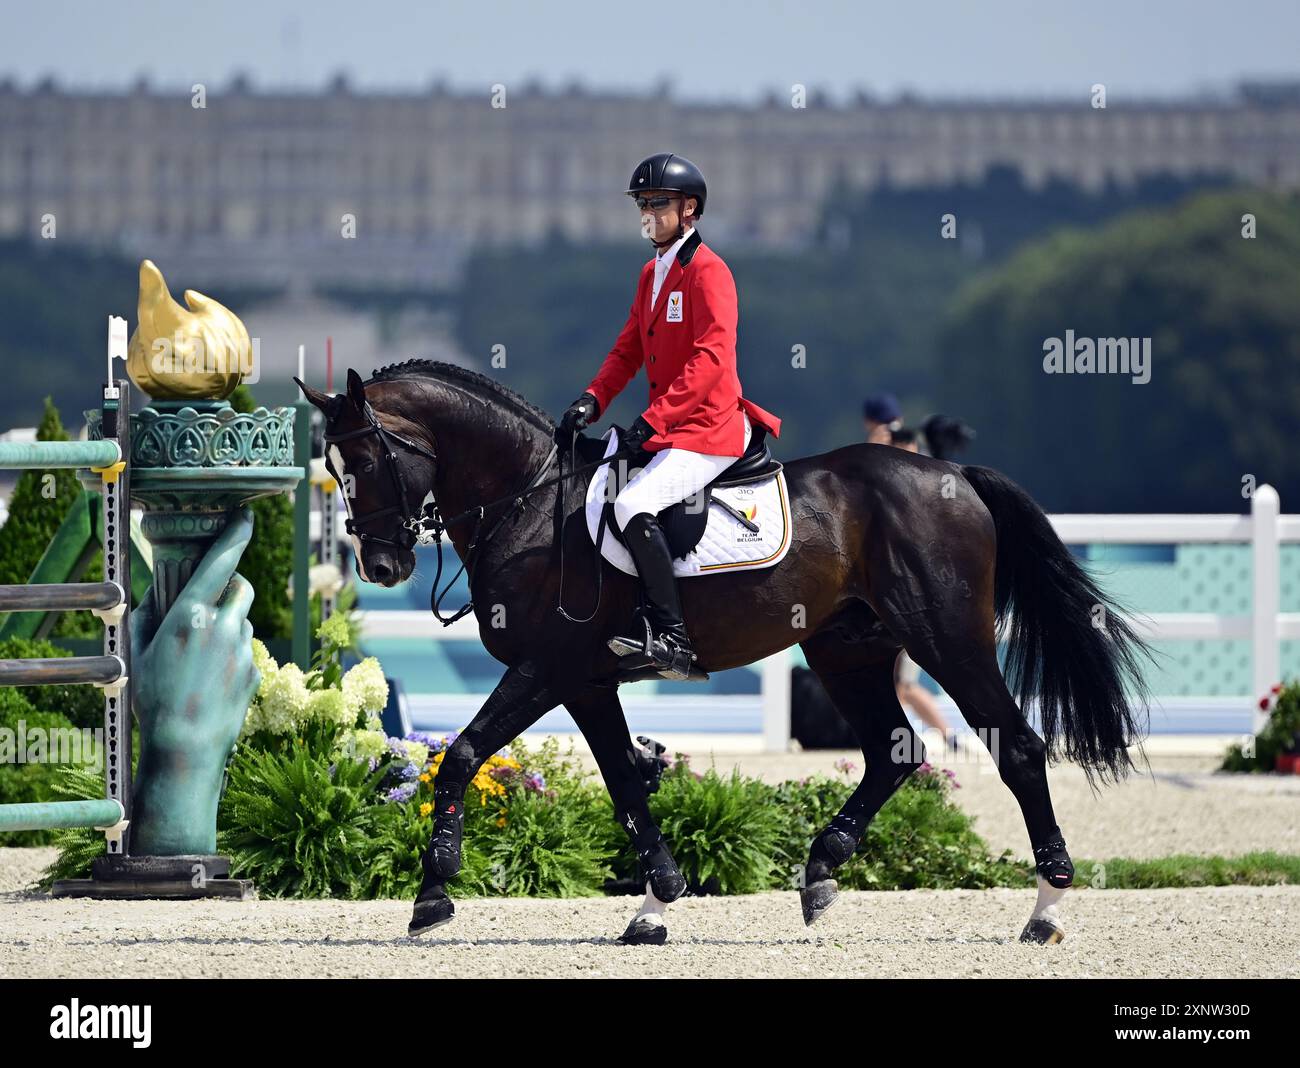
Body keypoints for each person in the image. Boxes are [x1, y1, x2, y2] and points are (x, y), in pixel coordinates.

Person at [559, 152, 780, 681]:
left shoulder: (710, 271)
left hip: (709, 428)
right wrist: (592, 399)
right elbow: (628, 349)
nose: (646, 211)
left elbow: (712, 358)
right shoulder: (650, 274)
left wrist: (654, 420)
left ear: (689, 210)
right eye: (642, 202)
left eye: (656, 203)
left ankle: (674, 638)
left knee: (633, 504)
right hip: (672, 427)